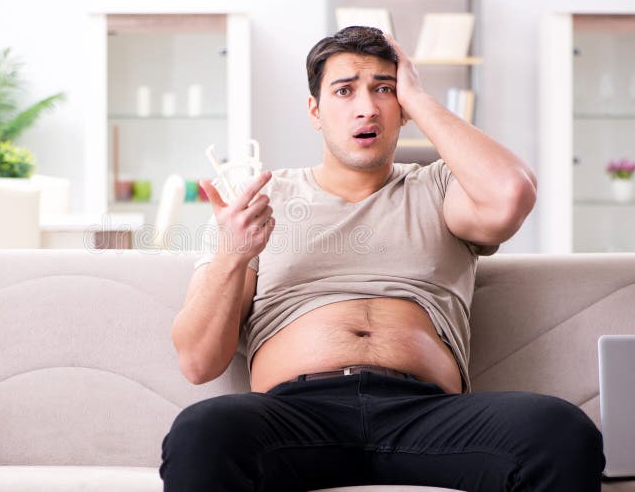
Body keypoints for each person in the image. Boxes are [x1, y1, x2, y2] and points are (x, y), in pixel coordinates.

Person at [160, 26, 604, 491]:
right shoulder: (257, 202)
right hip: (296, 416)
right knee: (201, 432)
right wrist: (233, 255)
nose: (366, 107)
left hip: (427, 415)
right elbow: (197, 363)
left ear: (403, 109)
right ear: (315, 110)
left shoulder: (439, 189)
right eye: (345, 90)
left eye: (384, 89)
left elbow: (511, 194)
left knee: (560, 430)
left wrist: (417, 95)